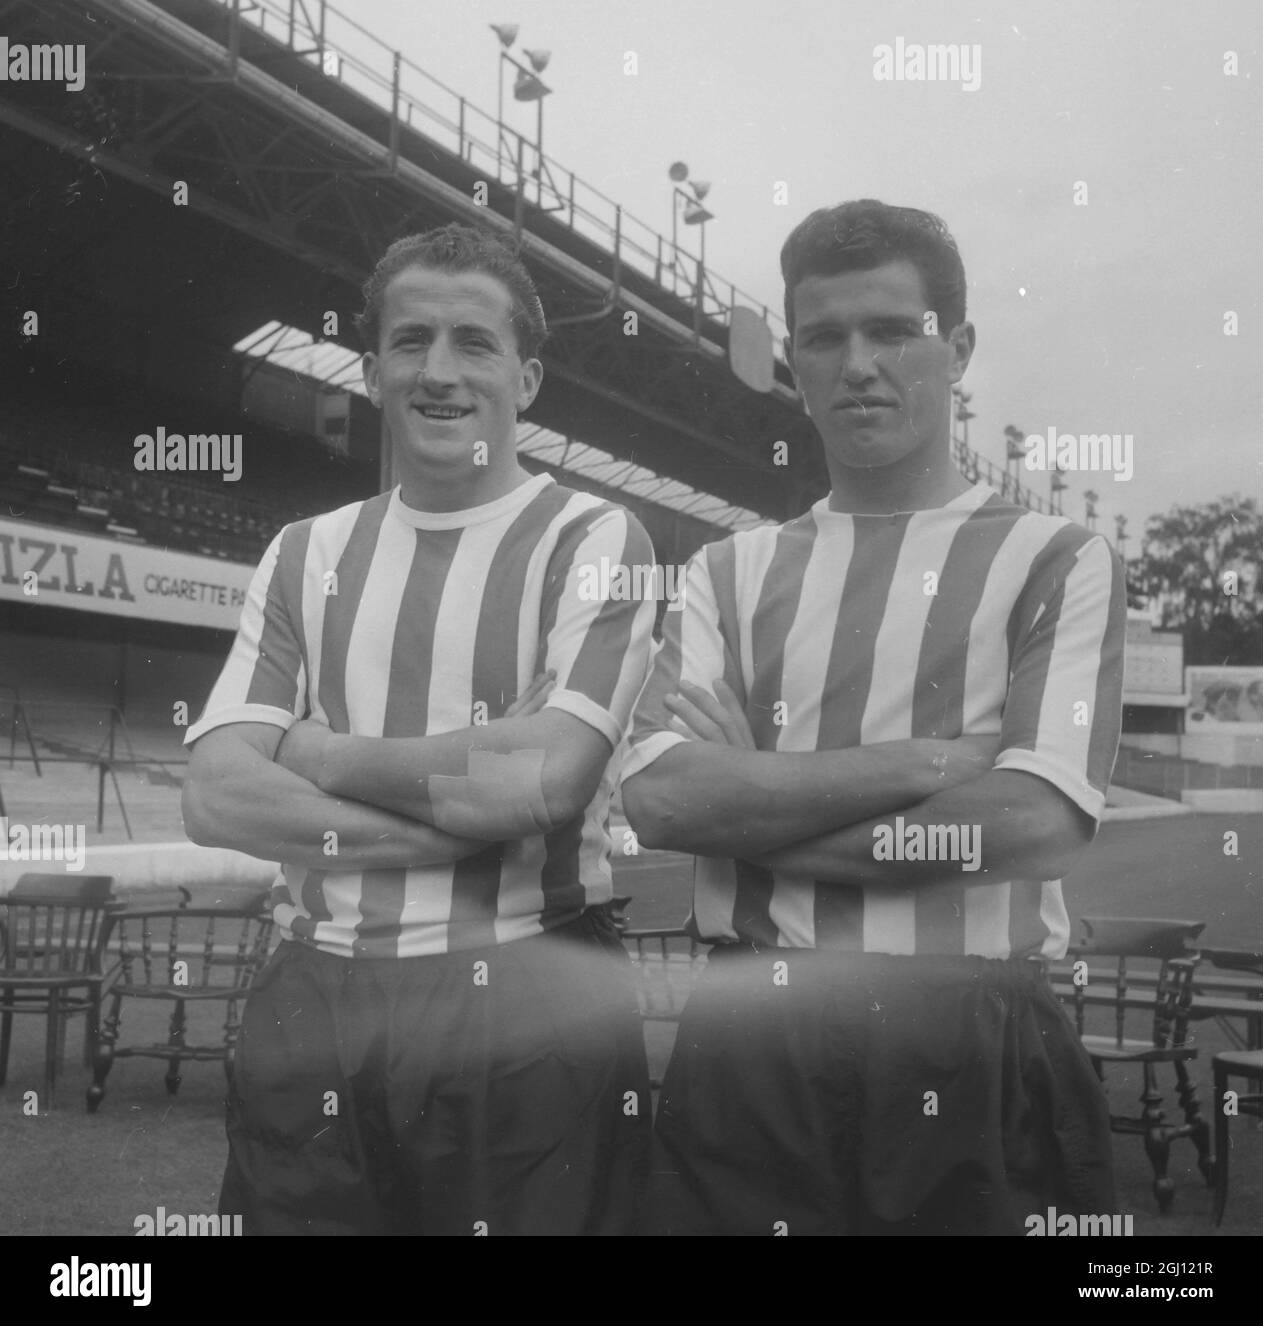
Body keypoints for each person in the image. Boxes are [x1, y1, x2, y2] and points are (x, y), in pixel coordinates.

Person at [620, 199, 1126, 1236]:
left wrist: (759, 802)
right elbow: (665, 801)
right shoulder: (725, 570)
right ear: (792, 364)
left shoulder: (1056, 558)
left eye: (893, 331)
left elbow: (1037, 821)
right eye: (824, 337)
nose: (858, 363)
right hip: (753, 1035)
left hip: (972, 1029)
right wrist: (931, 763)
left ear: (958, 348)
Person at [183, 224, 655, 1235]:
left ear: (526, 378)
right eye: (412, 341)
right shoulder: (306, 549)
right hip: (315, 991)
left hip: (525, 988)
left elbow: (542, 781)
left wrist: (314, 750)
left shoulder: (596, 537)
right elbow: (216, 792)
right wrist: (459, 816)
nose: (439, 372)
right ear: (371, 369)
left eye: (473, 344)